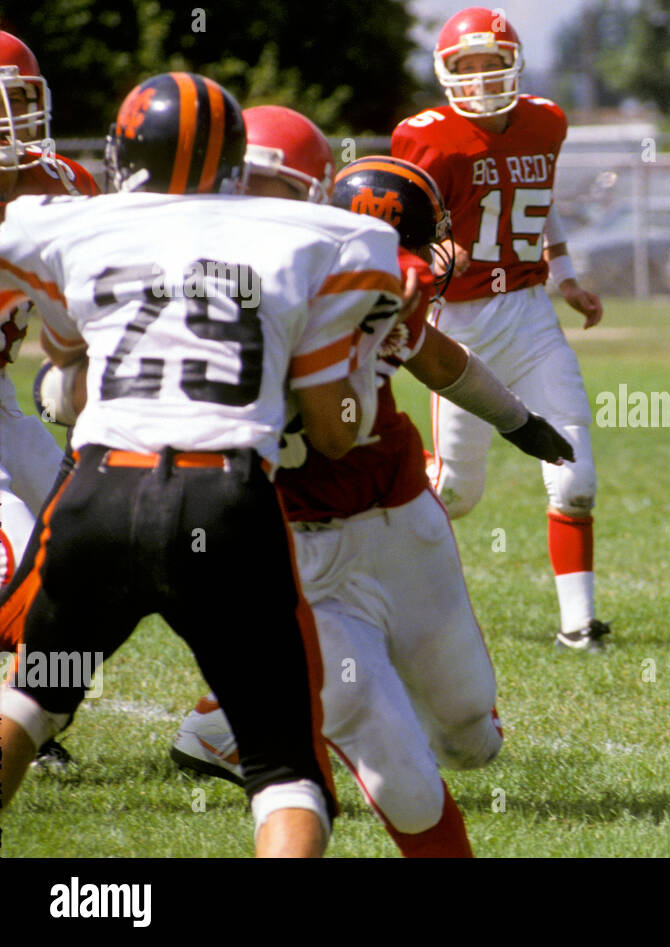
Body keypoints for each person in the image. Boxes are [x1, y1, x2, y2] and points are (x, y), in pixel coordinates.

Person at [0, 72, 412, 855]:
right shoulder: (316, 239)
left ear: (124, 155)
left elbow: (65, 363)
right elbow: (335, 434)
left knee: (33, 695)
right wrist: (357, 376)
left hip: (99, 490)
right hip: (225, 502)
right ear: (237, 160)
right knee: (284, 769)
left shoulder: (70, 226)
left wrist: (72, 342)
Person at [169, 139, 574, 857]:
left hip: (400, 524)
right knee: (391, 755)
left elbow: (439, 356)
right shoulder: (251, 295)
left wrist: (518, 421)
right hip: (301, 548)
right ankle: (229, 726)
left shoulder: (352, 276)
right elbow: (330, 432)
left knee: (471, 735)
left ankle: (227, 721)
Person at [392, 6, 610, 652]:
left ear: (515, 65)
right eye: (468, 66)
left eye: (493, 64)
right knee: (456, 493)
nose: (482, 79)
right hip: (458, 325)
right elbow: (399, 226)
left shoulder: (546, 122)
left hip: (529, 312)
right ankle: (389, 491)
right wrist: (431, 259)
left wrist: (565, 276)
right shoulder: (427, 138)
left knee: (576, 477)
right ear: (446, 72)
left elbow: (539, 202)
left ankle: (580, 625)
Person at [0, 30, 101, 770]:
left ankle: (35, 719)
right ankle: (23, 728)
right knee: (19, 567)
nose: (11, 120)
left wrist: (74, 374)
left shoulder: (63, 184)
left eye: (21, 100)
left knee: (85, 541)